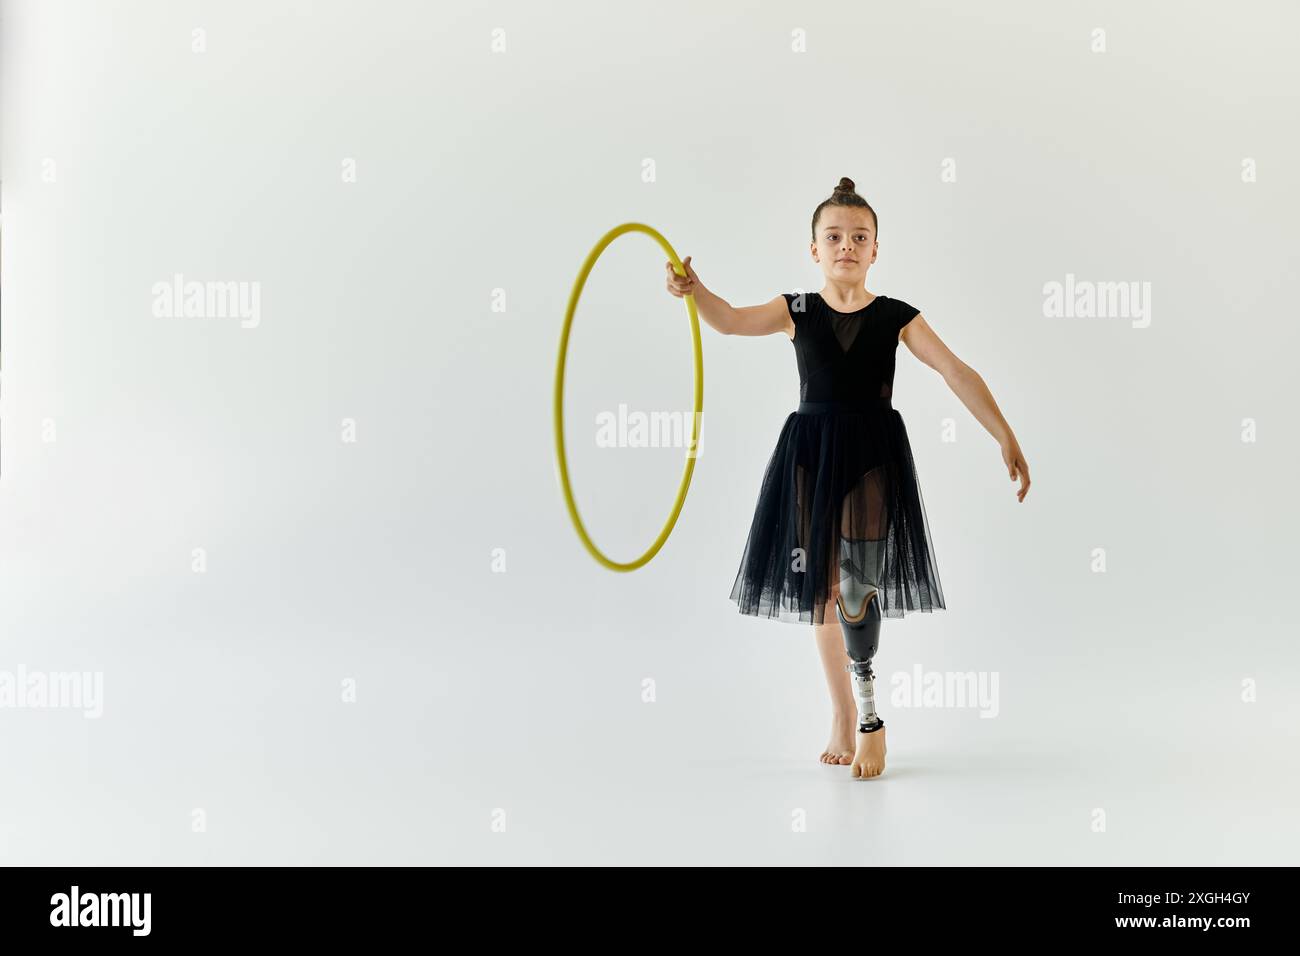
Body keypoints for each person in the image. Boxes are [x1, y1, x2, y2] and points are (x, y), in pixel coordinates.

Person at [664, 177, 1031, 779]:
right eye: (833, 236)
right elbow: (727, 321)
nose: (846, 246)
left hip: (870, 453)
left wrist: (1003, 432)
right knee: (821, 586)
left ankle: (869, 719)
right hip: (809, 453)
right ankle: (854, 718)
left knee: (859, 587)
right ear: (814, 250)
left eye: (859, 237)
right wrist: (692, 288)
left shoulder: (896, 317)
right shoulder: (796, 311)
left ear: (876, 249)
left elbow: (954, 370)